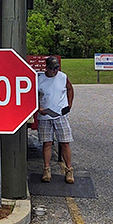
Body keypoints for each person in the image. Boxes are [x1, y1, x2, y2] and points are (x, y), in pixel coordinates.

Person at [37, 55, 75, 184]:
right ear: (46, 67)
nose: (55, 71)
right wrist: (38, 107)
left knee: (65, 142)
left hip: (60, 114)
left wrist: (69, 105)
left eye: (57, 68)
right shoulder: (39, 79)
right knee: (46, 143)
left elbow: (70, 89)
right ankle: (46, 169)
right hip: (45, 115)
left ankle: (69, 169)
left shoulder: (63, 77)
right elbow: (34, 94)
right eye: (52, 68)